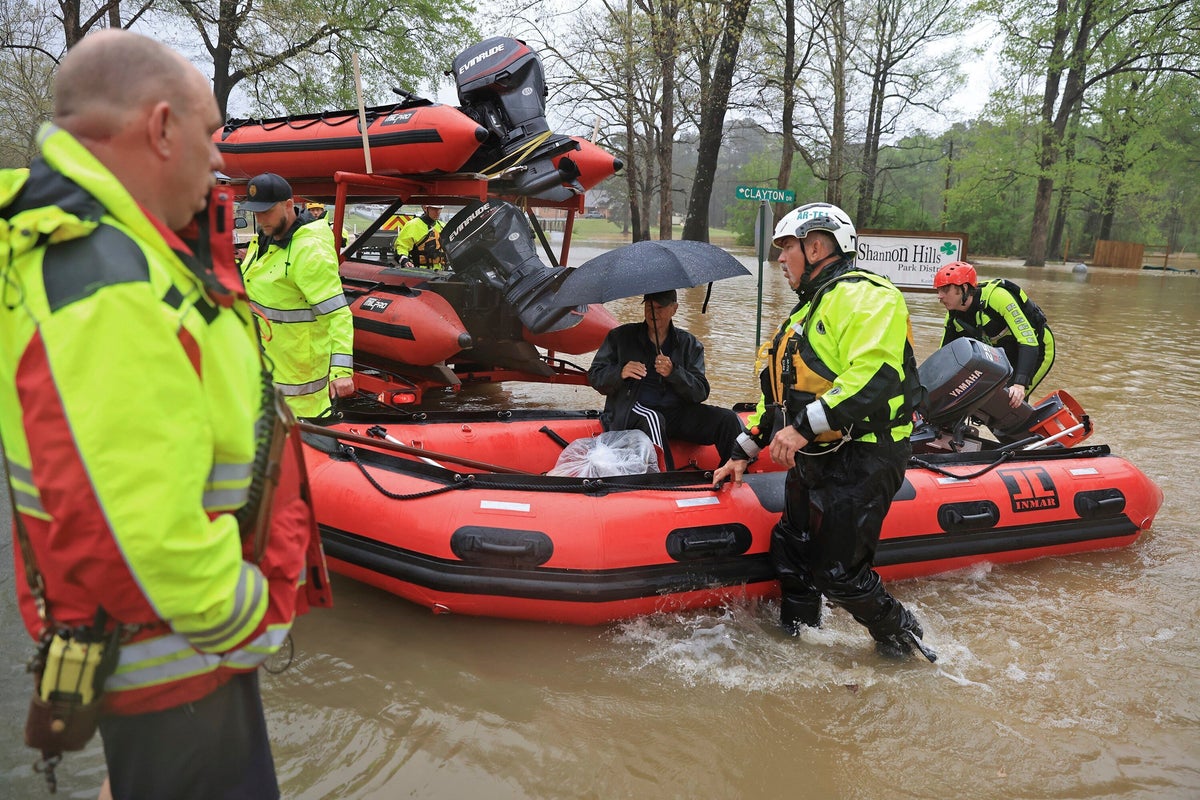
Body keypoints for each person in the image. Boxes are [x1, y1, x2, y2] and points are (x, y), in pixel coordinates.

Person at [0, 29, 322, 798]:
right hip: (182, 660)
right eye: (211, 133)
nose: (219, 160)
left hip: (174, 656)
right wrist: (257, 615)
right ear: (161, 127)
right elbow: (136, 530)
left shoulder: (123, 252)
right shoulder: (102, 283)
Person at [712, 203, 934, 661]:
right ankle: (798, 643)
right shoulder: (806, 311)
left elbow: (876, 376)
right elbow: (780, 396)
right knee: (791, 551)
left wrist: (802, 429)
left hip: (865, 454)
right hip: (817, 455)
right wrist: (743, 449)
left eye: (786, 247)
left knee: (839, 573)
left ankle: (904, 640)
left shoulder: (868, 296)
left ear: (816, 246)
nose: (779, 259)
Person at [240, 172, 356, 419]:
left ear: (289, 205)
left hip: (300, 391)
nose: (261, 220)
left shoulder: (309, 253)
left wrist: (341, 372)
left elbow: (338, 315)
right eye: (257, 213)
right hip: (268, 374)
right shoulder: (262, 242)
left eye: (267, 211)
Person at [588, 289, 742, 470]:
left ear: (674, 309)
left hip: (676, 413)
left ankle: (735, 476)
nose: (653, 312)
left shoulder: (689, 344)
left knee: (728, 419)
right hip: (631, 411)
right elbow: (595, 375)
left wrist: (674, 373)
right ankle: (665, 479)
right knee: (653, 418)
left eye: (660, 307)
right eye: (649, 306)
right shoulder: (620, 337)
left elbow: (700, 391)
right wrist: (620, 372)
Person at [934, 261, 1055, 408]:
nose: (939, 296)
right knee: (985, 405)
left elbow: (1028, 341)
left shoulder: (998, 297)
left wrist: (1019, 384)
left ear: (964, 288)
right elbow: (943, 358)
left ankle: (1034, 426)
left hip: (1036, 349)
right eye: (938, 290)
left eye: (945, 290)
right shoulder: (954, 317)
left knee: (1008, 403)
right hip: (1005, 354)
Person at [393, 203, 446, 269]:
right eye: (434, 209)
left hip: (441, 273)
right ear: (425, 208)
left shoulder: (442, 226)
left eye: (440, 209)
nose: (438, 212)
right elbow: (401, 247)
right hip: (419, 272)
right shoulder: (412, 225)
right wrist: (405, 261)